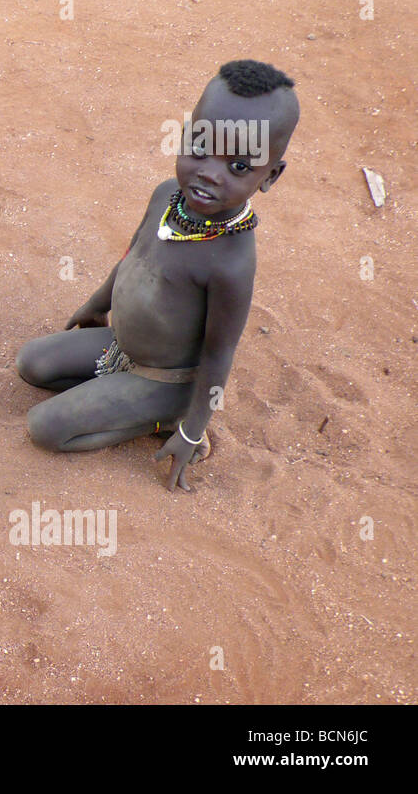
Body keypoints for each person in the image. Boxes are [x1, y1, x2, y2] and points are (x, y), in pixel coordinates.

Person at [16, 60, 300, 490]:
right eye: (200, 148)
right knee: (32, 364)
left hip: (166, 377)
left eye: (239, 167)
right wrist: (96, 306)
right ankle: (124, 395)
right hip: (123, 346)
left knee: (45, 428)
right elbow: (133, 258)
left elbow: (219, 355)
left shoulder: (231, 262)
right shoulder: (167, 196)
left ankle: (165, 418)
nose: (209, 172)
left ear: (270, 176)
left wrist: (192, 430)